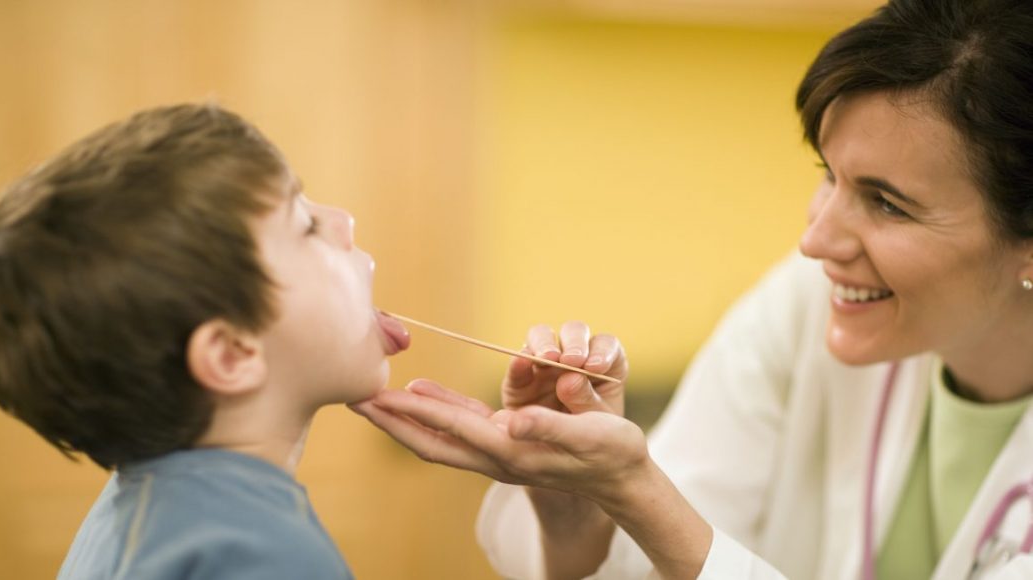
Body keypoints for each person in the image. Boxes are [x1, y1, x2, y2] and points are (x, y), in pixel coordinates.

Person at [351, 0, 1033, 578]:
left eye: (886, 203)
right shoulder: (804, 304)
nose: (816, 241)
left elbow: (670, 517)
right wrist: (580, 505)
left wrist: (637, 492)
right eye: (830, 175)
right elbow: (648, 554)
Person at [0, 103, 412, 579]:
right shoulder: (258, 554)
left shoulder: (134, 518)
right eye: (305, 226)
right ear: (230, 354)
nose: (344, 220)